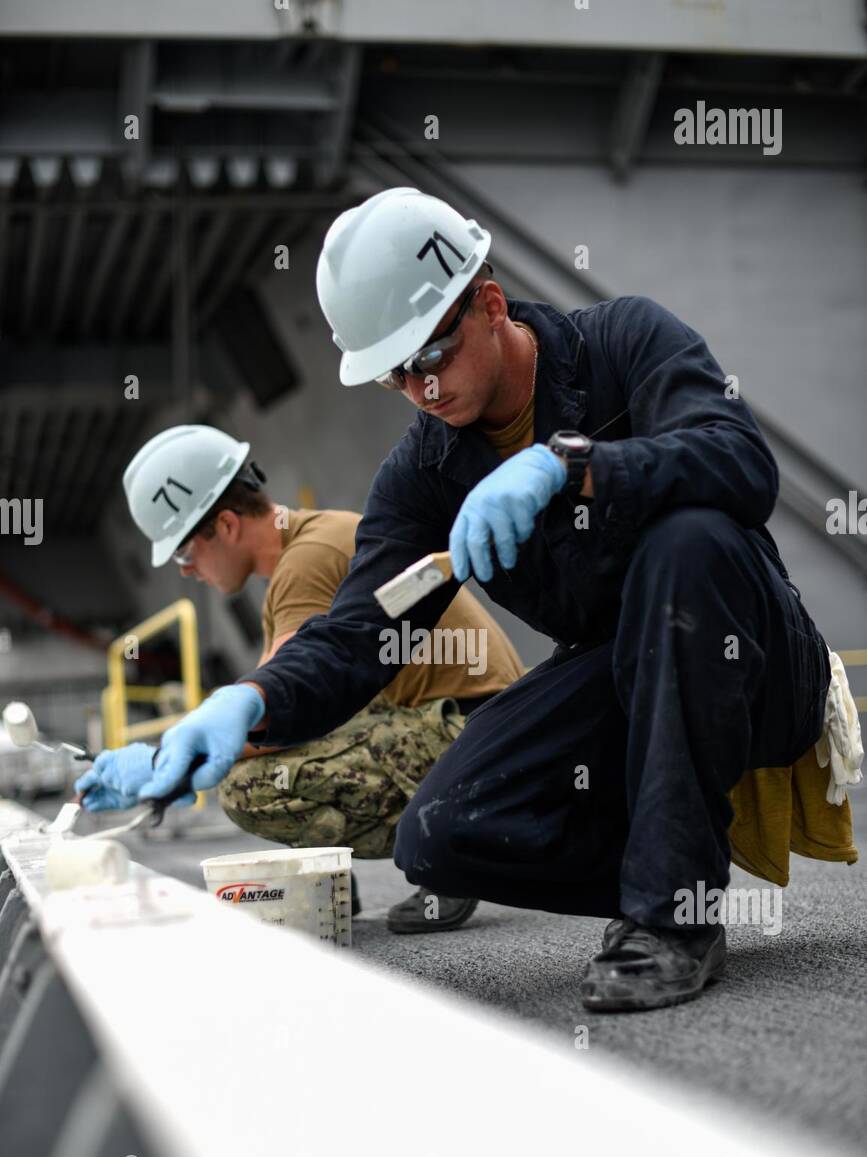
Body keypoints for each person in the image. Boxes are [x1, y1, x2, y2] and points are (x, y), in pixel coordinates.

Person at [79, 186, 855, 1012]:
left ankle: (671, 917)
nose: (420, 389)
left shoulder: (623, 341)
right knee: (441, 832)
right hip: (620, 675)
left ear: (489, 305)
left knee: (686, 539)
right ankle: (675, 873)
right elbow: (357, 636)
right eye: (394, 375)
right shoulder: (421, 478)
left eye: (430, 357)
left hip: (753, 661)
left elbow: (740, 462)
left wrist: (574, 464)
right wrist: (247, 701)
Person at [80, 423, 526, 932]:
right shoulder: (313, 543)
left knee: (248, 784)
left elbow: (280, 724)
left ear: (225, 526)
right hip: (474, 722)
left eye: (184, 552)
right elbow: (290, 696)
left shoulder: (304, 565)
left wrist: (164, 761)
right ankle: (336, 879)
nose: (185, 570)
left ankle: (456, 849)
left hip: (472, 736)